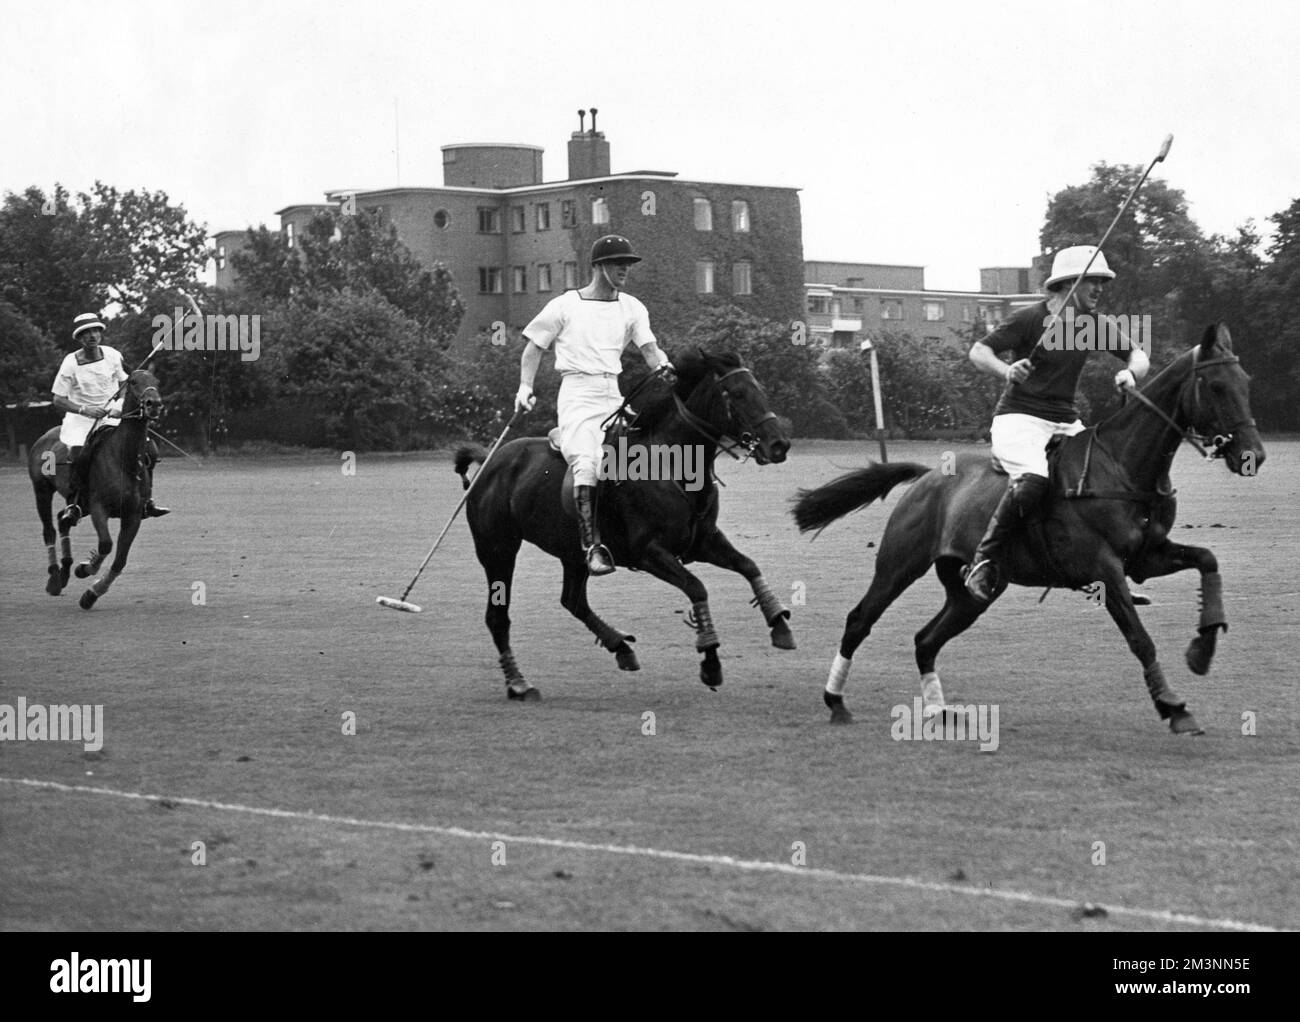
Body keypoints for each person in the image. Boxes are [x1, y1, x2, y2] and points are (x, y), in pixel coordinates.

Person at [963, 245, 1149, 602]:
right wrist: (1007, 370)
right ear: (1069, 284)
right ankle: (984, 560)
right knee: (1034, 480)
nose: (1099, 289)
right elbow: (978, 351)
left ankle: (1106, 570)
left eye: (1101, 282)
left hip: (1065, 422)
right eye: (1092, 281)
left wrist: (1130, 373)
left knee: (1110, 478)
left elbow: (1137, 354)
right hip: (1019, 418)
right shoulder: (1029, 319)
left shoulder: (1092, 325)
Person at [516, 235, 673, 575]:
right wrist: (525, 387)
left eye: (628, 264)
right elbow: (533, 348)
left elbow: (649, 350)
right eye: (619, 263)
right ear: (600, 266)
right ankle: (592, 547)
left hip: (612, 394)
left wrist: (664, 367)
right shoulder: (564, 305)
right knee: (587, 463)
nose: (625, 270)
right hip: (577, 395)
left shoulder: (632, 307)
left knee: (651, 452)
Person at [53, 312, 169, 525]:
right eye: (86, 333)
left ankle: (147, 500)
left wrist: (117, 406)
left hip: (112, 415)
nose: (92, 336)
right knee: (78, 454)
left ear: (100, 333)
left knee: (150, 450)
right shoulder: (70, 363)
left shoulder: (113, 355)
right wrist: (84, 409)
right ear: (79, 338)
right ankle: (75, 504)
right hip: (81, 419)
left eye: (95, 331)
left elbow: (127, 385)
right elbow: (58, 399)